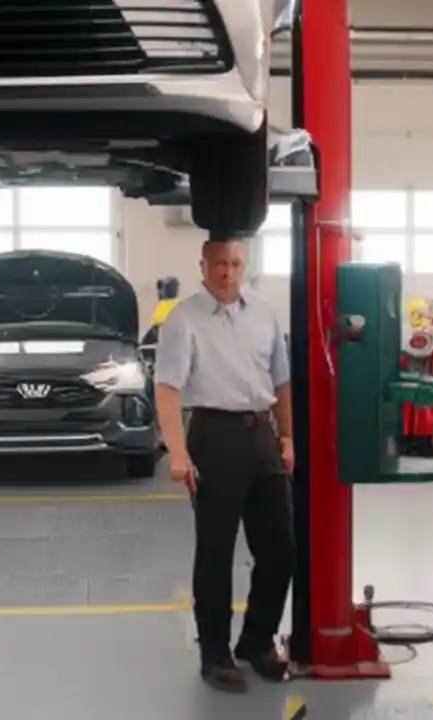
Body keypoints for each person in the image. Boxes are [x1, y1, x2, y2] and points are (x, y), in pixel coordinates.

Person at [153, 234, 295, 693]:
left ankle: (257, 641)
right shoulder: (183, 320)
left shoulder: (264, 313)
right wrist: (178, 452)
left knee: (279, 549)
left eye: (235, 263)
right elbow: (169, 389)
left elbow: (283, 380)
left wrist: (287, 436)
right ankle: (216, 654)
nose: (227, 272)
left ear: (244, 265)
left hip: (261, 436)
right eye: (218, 263)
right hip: (213, 437)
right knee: (215, 553)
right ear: (203, 265)